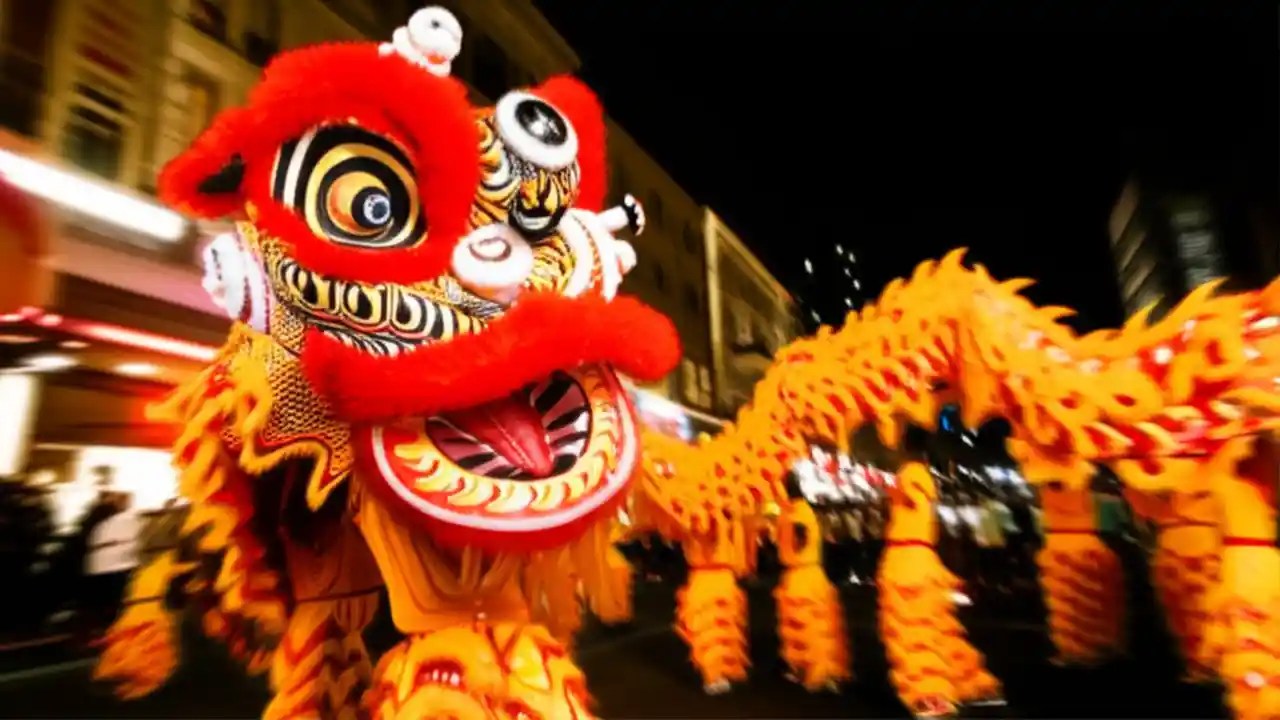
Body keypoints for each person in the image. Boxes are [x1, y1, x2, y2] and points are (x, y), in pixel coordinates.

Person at [82, 492, 142, 639]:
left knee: (105, 602)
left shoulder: (105, 519)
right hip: (116, 566)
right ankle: (110, 630)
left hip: (101, 566)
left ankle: (104, 630)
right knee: (114, 601)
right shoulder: (127, 519)